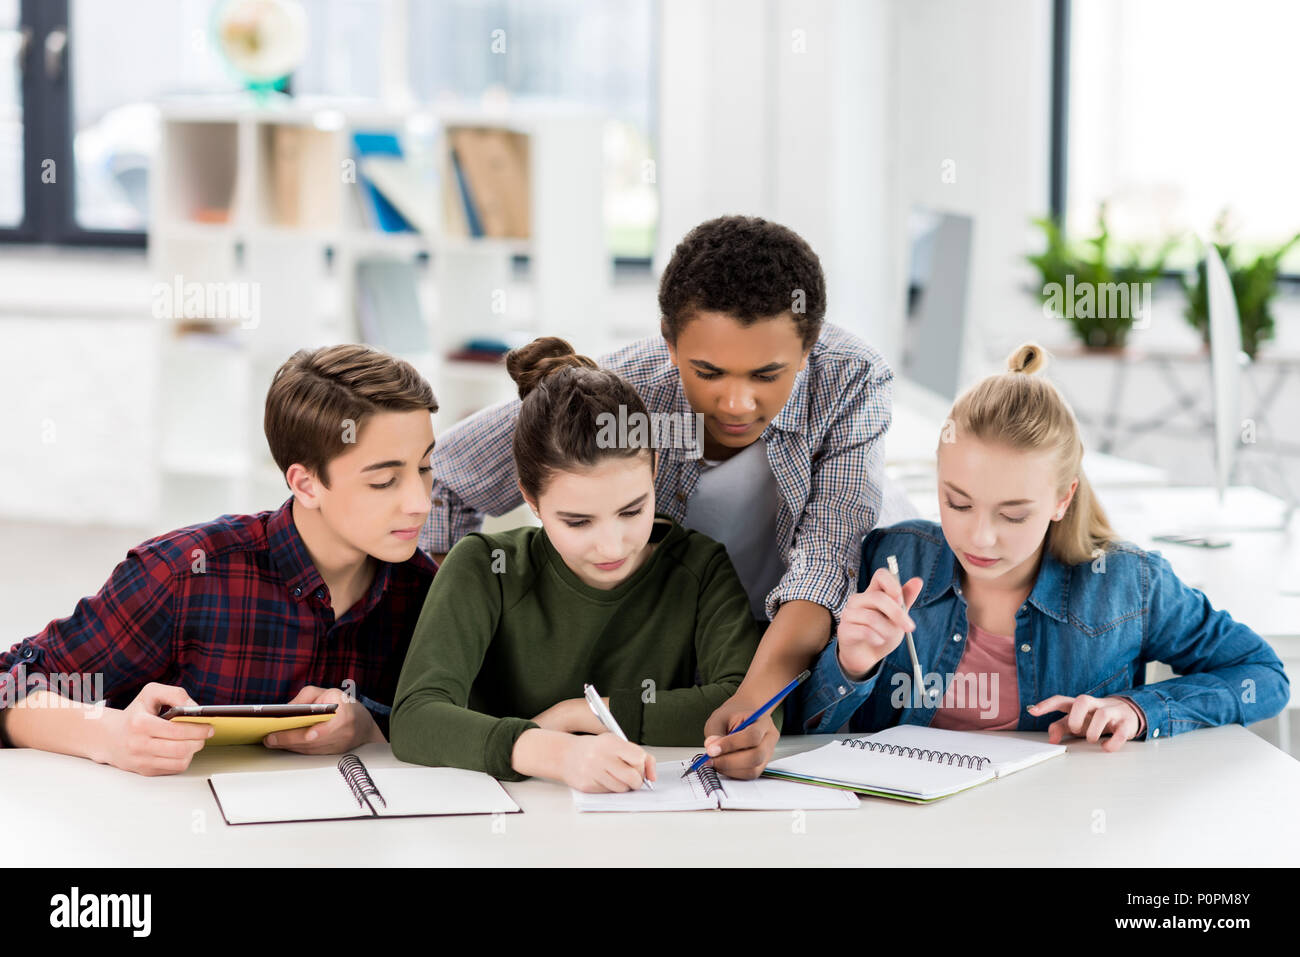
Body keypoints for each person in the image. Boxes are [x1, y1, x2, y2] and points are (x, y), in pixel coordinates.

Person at [420, 215, 893, 777]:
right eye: (708, 372)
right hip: (670, 662)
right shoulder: (621, 394)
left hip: (786, 649)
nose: (737, 403)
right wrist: (456, 623)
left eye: (767, 374)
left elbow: (824, 561)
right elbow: (442, 476)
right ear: (669, 342)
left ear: (809, 346)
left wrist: (754, 700)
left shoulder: (850, 380)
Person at [796, 343, 1289, 749]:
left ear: (1062, 497)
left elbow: (1263, 675)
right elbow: (798, 726)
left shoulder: (1127, 585)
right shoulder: (889, 559)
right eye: (958, 503)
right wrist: (850, 663)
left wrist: (1139, 709)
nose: (980, 537)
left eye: (1013, 514)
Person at [0, 345, 439, 774]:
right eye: (384, 481)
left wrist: (368, 726)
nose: (420, 502)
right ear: (305, 485)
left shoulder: (423, 588)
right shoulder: (185, 573)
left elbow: (467, 715)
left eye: (424, 467)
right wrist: (108, 734)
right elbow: (9, 684)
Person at [390, 338, 765, 792]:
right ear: (531, 500)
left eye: (631, 511)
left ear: (654, 470)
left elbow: (751, 705)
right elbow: (416, 717)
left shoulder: (700, 567)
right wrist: (557, 751)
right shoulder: (483, 568)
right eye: (577, 521)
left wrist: (580, 714)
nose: (611, 546)